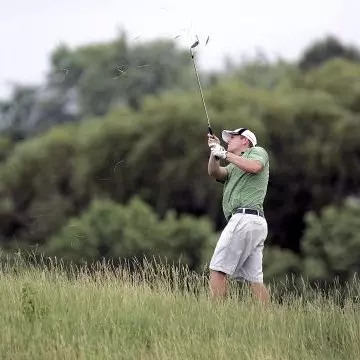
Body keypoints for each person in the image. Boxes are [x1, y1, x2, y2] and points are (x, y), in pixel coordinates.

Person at [207, 127, 270, 304]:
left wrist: (225, 154)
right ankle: (268, 320)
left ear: (245, 140)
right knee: (254, 280)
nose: (228, 141)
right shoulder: (233, 166)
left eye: (232, 137)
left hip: (245, 218)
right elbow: (215, 173)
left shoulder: (257, 151)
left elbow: (255, 167)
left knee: (218, 269)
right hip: (254, 223)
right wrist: (215, 153)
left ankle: (217, 316)